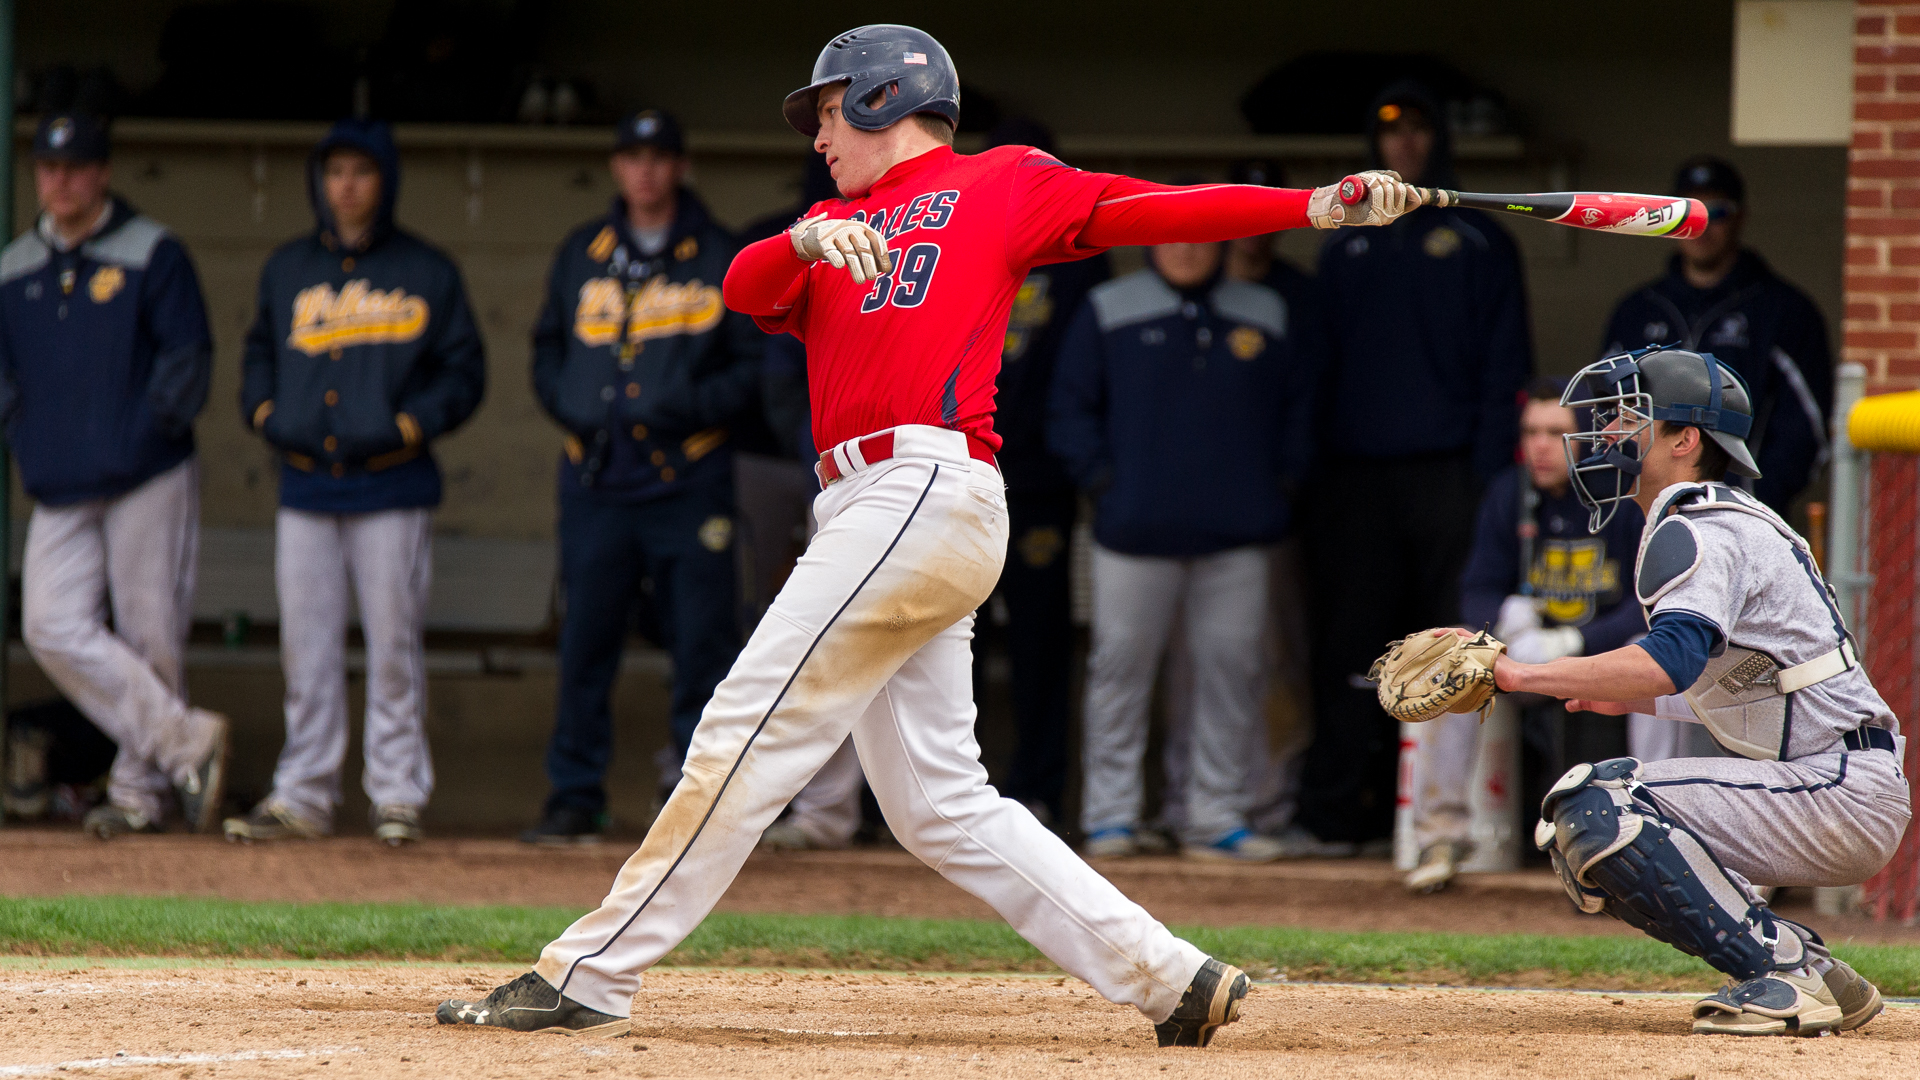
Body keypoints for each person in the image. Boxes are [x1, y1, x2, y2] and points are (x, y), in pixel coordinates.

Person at [438, 23, 1421, 1046]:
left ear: (878, 99)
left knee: (745, 721)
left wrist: (1307, 203)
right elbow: (741, 290)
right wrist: (807, 237)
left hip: (922, 481)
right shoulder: (834, 224)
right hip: (878, 509)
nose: (818, 138)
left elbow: (1148, 208)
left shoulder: (999, 181)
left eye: (826, 113)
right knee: (939, 805)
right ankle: (1169, 975)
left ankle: (591, 972)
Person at [1507, 346, 1905, 1035]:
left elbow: (1670, 660)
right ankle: (1820, 976)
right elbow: (1741, 674)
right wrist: (1628, 693)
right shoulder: (1725, 516)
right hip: (1844, 778)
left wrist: (1519, 675)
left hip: (1840, 786)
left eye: (1630, 420)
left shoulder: (1698, 524)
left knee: (1599, 805)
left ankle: (1783, 974)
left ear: (1686, 440)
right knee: (1597, 814)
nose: (1606, 436)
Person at [227, 119, 486, 845]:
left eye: (361, 172)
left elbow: (465, 373)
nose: (346, 185)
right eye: (334, 171)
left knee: (393, 647)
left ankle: (396, 794)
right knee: (305, 649)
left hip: (391, 488)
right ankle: (303, 794)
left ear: (385, 181)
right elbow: (255, 355)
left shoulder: (426, 270)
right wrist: (265, 409)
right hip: (307, 486)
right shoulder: (287, 268)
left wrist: (408, 425)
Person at [1294, 80, 1533, 856]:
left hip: (1450, 479)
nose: (1404, 144)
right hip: (1356, 479)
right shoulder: (1343, 241)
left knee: (1450, 646)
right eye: (1389, 131)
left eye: (1418, 130)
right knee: (1353, 648)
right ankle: (1339, 814)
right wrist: (1314, 469)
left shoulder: (1479, 239)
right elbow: (1318, 369)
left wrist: (1490, 475)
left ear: (1438, 142)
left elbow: (1509, 370)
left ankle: (1452, 826)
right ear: (1374, 145)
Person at [521, 110, 764, 845]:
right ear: (616, 167)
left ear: (681, 166)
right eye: (633, 156)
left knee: (702, 647)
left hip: (688, 480)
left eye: (661, 156)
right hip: (597, 483)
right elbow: (546, 351)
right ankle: (575, 796)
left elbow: (751, 368)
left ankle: (695, 802)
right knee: (586, 644)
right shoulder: (581, 253)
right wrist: (576, 411)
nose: (647, 170)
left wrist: (675, 408)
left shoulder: (720, 253)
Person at [0, 111, 227, 839]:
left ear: (102, 172)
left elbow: (188, 360)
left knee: (149, 630)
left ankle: (138, 792)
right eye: (48, 168)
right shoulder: (14, 266)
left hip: (146, 473)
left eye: (75, 168)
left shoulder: (151, 251)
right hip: (61, 482)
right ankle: (186, 741)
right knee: (48, 622)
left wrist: (141, 435)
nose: (60, 181)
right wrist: (31, 439)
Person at [1050, 230, 1307, 862]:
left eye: (1202, 239)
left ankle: (1213, 817)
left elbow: (1300, 411)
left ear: (1223, 246)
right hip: (1133, 535)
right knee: (1119, 672)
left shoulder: (1264, 309)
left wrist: (1281, 486)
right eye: (1172, 238)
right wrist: (1104, 484)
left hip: (1239, 534)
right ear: (1149, 244)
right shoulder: (1109, 307)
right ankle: (1110, 819)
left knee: (1232, 673)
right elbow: (1069, 411)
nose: (1187, 250)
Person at [1404, 377, 1645, 892]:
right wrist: (1509, 624)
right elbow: (1477, 591)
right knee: (1455, 662)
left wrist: (1577, 643)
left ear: (1588, 438)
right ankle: (1441, 837)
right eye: (1531, 431)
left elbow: (1651, 606)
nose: (1540, 445)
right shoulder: (1508, 492)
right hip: (1525, 656)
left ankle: (1659, 837)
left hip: (1605, 656)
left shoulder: (1624, 495)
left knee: (1665, 662)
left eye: (1557, 432)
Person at [977, 116, 1110, 831]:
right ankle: (911, 805)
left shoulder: (1079, 253)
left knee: (1040, 645)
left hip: (1037, 481)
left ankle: (1040, 790)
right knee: (942, 640)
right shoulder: (959, 231)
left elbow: (1079, 383)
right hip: (958, 474)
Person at [1601, 157, 1831, 515]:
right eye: (1687, 212)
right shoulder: (1636, 310)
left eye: (1717, 211)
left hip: (1741, 514)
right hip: (1644, 512)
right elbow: (1606, 409)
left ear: (1740, 216)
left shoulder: (1784, 310)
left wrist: (1754, 497)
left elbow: (1806, 431)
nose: (1701, 225)